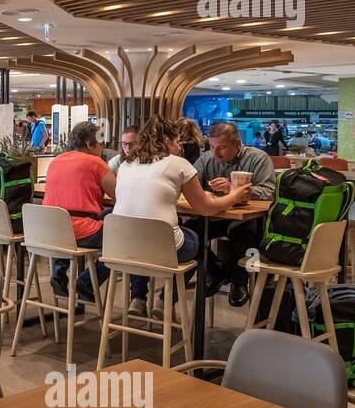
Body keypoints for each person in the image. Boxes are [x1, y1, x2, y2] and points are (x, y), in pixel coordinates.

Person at [112, 116, 251, 317]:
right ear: (167, 141)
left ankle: (138, 298)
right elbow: (205, 208)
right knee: (195, 239)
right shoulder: (179, 163)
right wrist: (234, 196)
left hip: (121, 247)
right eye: (178, 141)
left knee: (142, 237)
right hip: (163, 248)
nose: (180, 146)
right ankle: (166, 301)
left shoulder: (126, 164)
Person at [187, 121, 276, 307]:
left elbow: (269, 192)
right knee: (189, 234)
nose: (215, 153)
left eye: (222, 148)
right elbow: (190, 185)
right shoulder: (206, 159)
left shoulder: (258, 158)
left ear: (237, 144)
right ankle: (216, 270)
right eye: (211, 147)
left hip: (248, 218)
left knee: (243, 233)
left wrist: (234, 189)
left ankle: (239, 282)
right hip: (214, 215)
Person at [42, 121, 117, 301]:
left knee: (73, 221)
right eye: (100, 144)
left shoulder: (55, 161)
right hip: (81, 231)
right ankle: (86, 282)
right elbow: (119, 195)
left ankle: (59, 273)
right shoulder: (96, 163)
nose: (102, 148)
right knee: (124, 239)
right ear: (91, 144)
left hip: (49, 230)